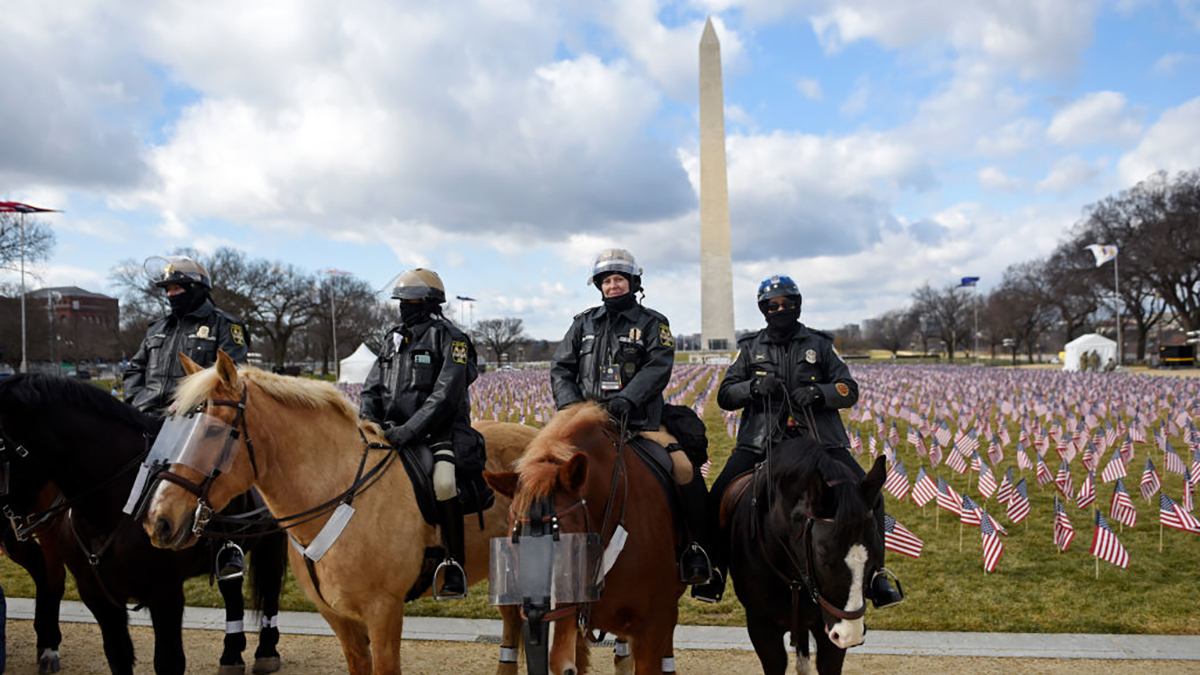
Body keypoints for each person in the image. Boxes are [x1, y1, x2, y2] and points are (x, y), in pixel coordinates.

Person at [701, 274, 904, 607]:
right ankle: (715, 570)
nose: (781, 309)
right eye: (773, 305)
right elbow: (725, 395)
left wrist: (819, 393)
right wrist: (752, 388)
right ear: (764, 309)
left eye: (787, 304)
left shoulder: (820, 345)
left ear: (797, 305)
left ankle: (878, 576)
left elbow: (847, 389)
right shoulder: (750, 348)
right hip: (762, 441)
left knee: (869, 495)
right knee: (721, 493)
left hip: (821, 441)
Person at [550, 248, 714, 588]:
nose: (613, 286)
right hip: (586, 424)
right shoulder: (582, 323)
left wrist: (628, 399)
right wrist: (571, 407)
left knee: (683, 470)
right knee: (540, 470)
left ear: (633, 283)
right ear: (599, 285)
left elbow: (658, 366)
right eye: (607, 280)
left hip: (639, 425)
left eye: (619, 279)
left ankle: (696, 548)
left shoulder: (654, 323)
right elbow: (561, 368)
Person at [360, 268, 484, 599]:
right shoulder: (392, 338)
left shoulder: (452, 339)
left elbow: (445, 396)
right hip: (391, 433)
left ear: (429, 302)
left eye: (411, 300)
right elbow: (371, 387)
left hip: (438, 434)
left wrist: (411, 430)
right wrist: (368, 420)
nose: (404, 306)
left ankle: (454, 564)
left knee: (444, 484)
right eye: (401, 300)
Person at [124, 255, 250, 578]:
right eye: (167, 288)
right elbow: (134, 371)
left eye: (178, 287)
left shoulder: (226, 326)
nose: (171, 294)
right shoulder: (155, 329)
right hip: (146, 416)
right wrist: (138, 402)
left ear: (197, 288)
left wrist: (193, 409)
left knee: (221, 463)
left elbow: (230, 380)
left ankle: (228, 545)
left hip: (195, 421)